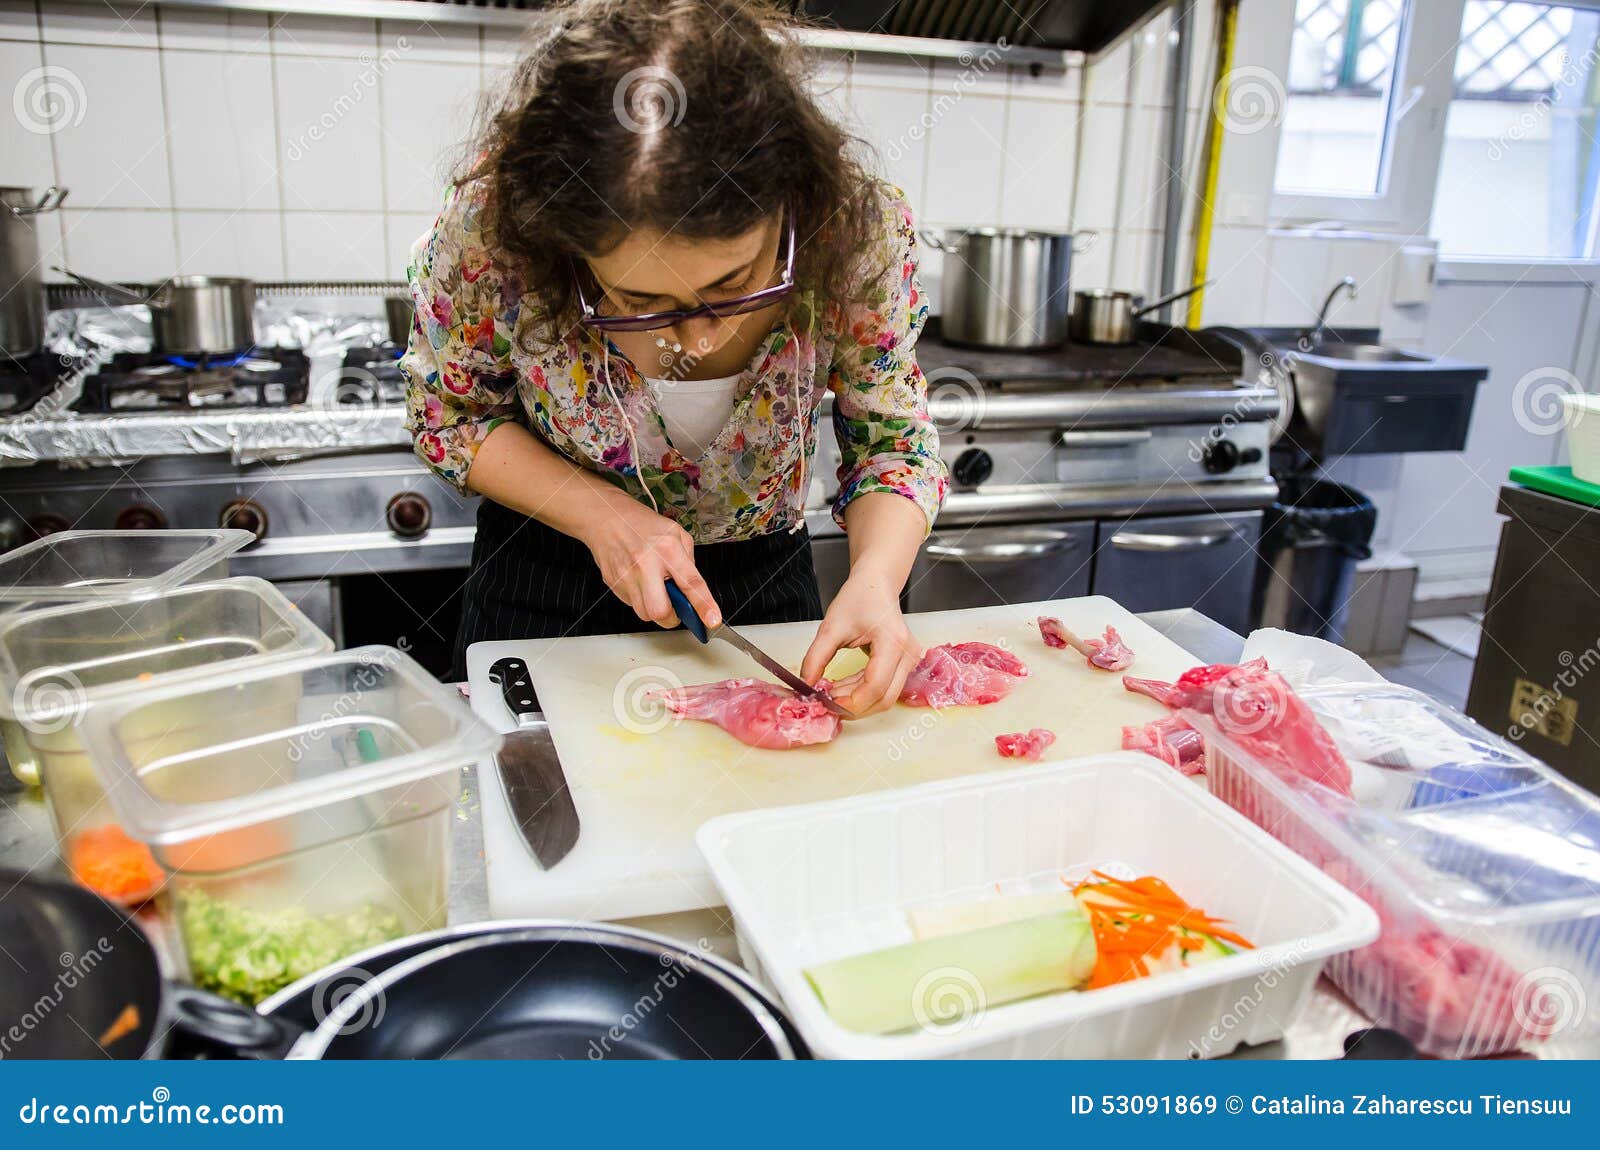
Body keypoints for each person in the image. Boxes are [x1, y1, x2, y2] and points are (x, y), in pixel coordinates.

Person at [402, 0, 946, 716]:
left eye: (733, 284)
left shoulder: (855, 233)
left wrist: (876, 579)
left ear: (793, 203)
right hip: (543, 587)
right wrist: (602, 515)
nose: (698, 341)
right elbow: (450, 415)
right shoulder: (494, 229)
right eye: (636, 299)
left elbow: (893, 444)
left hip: (761, 588)